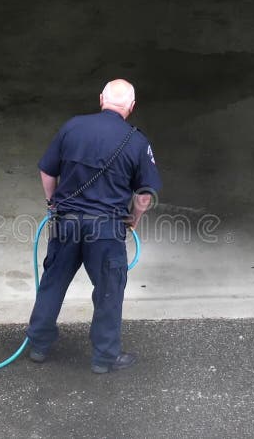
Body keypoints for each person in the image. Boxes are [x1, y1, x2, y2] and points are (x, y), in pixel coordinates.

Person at [27, 79, 162, 374]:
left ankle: (38, 345)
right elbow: (144, 194)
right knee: (109, 290)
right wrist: (133, 220)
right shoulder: (137, 142)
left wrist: (52, 204)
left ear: (101, 99)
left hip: (66, 223)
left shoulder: (73, 126)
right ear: (131, 106)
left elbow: (47, 170)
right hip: (106, 230)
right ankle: (104, 357)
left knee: (53, 282)